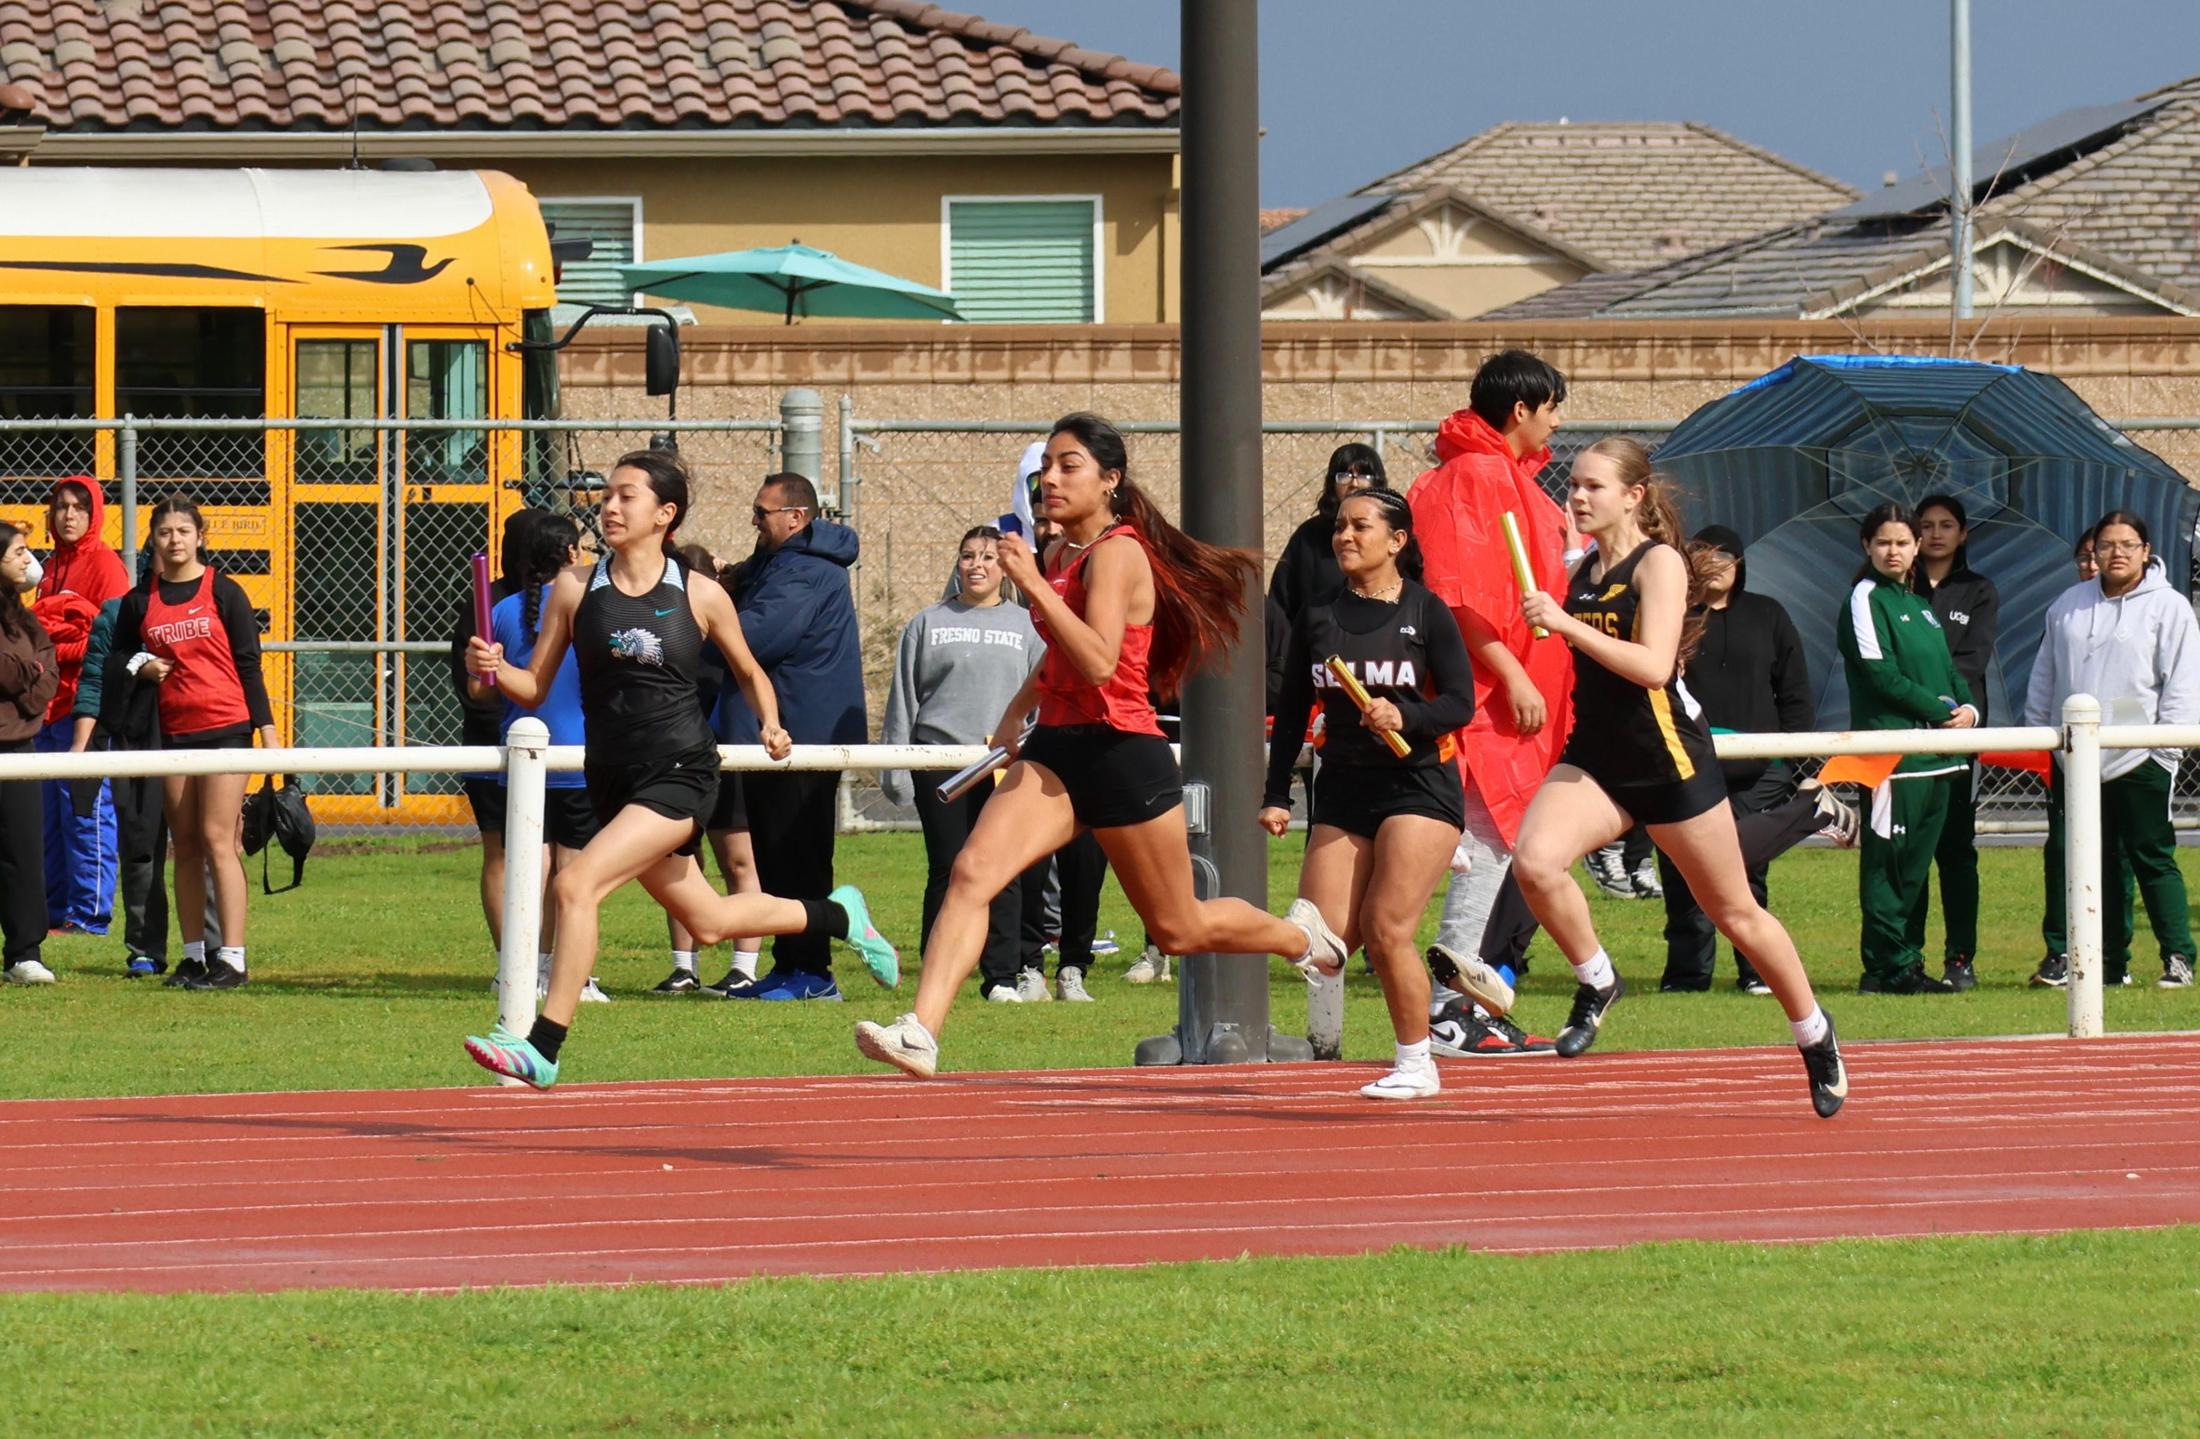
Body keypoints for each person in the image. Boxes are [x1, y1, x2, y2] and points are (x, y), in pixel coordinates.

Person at [854, 412, 1352, 1079]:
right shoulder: (1059, 554)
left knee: (1178, 927)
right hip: (1057, 747)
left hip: (1122, 752)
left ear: (1110, 479)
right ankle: (921, 1031)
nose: (1051, 480)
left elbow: (1096, 660)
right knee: (972, 872)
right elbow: (1058, 655)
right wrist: (1014, 715)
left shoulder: (1117, 553)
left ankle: (1300, 937)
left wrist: (1032, 584)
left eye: (1069, 466)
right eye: (1046, 468)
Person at [461, 451, 898, 1089]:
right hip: (612, 779)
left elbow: (750, 671)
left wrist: (771, 723)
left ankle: (542, 1045)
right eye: (607, 496)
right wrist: (494, 669)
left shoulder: (699, 592)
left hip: (681, 772)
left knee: (575, 885)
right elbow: (532, 688)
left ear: (665, 514)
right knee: (709, 921)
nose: (610, 507)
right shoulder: (574, 589)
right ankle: (839, 915)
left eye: (627, 496)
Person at [1508, 438, 1847, 1117]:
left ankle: (1814, 1032)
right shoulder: (1584, 567)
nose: (1578, 496)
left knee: (1734, 912)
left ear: (1634, 495)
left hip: (1668, 759)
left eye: (1593, 486)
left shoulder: (1659, 561)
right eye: (1573, 484)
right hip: (1598, 756)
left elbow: (1655, 666)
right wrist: (1562, 603)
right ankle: (1597, 979)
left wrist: (1565, 623)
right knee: (1535, 863)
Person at [1260, 486, 1510, 1097]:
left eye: (1360, 526)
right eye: (1339, 527)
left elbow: (1460, 702)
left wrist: (1406, 716)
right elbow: (1291, 713)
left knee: (1386, 927)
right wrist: (1275, 793)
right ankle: (1455, 943)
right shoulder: (1317, 616)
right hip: (1344, 789)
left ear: (1397, 540)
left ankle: (1417, 1064)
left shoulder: (1427, 612)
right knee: (1323, 947)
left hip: (1417, 783)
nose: (1344, 536)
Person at [1406, 352, 1577, 1021]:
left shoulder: (1492, 473)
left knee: (1480, 843)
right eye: (1552, 408)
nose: (1556, 423)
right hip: (1484, 698)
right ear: (1520, 409)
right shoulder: (1478, 476)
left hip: (1497, 689)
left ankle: (1453, 1001)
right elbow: (1460, 595)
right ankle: (1451, 1004)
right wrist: (1512, 673)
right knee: (1484, 841)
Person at [716, 472, 874, 1001]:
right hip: (781, 733)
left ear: (795, 517)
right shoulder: (779, 562)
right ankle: (789, 966)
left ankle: (813, 972)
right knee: (776, 855)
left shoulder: (804, 571)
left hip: (804, 735)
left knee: (798, 854)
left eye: (762, 512)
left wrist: (703, 620)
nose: (754, 521)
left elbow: (757, 636)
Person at [108, 496, 277, 991]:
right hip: (172, 733)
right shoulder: (140, 600)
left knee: (216, 837)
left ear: (200, 536)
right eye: (165, 532)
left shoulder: (224, 590)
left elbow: (249, 664)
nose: (174, 540)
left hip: (226, 728)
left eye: (183, 530)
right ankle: (193, 955)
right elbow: (118, 656)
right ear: (153, 539)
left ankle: (234, 958)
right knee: (183, 844)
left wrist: (268, 733)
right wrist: (143, 665)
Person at [2027, 510, 2199, 990]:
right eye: (2105, 546)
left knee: (2151, 857)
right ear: (2093, 553)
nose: (2116, 554)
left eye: (2127, 545)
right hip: (2073, 760)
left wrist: (2166, 749)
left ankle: (2178, 957)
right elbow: (2045, 676)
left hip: (2142, 757)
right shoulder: (2068, 604)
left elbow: (2182, 684)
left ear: (2146, 551)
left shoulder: (2170, 607)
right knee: (2083, 860)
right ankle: (2107, 964)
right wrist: (2042, 740)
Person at [880, 525, 1043, 1004]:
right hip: (940, 763)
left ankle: (1001, 978)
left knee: (1001, 870)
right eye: (969, 556)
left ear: (1004, 568)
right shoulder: (926, 623)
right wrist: (896, 769)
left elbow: (1041, 703)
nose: (977, 565)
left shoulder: (1028, 626)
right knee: (947, 867)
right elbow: (904, 701)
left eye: (989, 557)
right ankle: (938, 970)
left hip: (1003, 762)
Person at [1659, 524, 1815, 994]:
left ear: (1740, 564)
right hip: (1687, 766)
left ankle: (1755, 971)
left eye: (1725, 556)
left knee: (1747, 869)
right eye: (1703, 554)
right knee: (1683, 871)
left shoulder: (1769, 615)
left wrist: (1795, 761)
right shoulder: (1672, 616)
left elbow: (1794, 692)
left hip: (1758, 772)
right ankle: (1687, 976)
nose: (1716, 564)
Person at [1838, 503, 1978, 996]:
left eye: (1902, 542)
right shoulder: (1865, 598)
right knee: (1890, 867)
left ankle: (1907, 964)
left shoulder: (1920, 606)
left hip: (1938, 758)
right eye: (1883, 542)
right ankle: (1885, 969)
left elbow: (1949, 671)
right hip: (1894, 757)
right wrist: (1939, 712)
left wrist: (1968, 709)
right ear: (1866, 546)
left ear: (1916, 546)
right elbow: (1880, 674)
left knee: (1915, 869)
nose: (1893, 551)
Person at [485, 511, 608, 1002]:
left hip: (527, 758)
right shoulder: (590, 606)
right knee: (574, 873)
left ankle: (527, 969)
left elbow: (482, 688)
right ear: (571, 554)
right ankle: (571, 976)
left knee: (529, 872)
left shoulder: (502, 610)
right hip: (577, 756)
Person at [661, 542, 766, 998]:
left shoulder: (725, 630)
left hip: (727, 759)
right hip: (676, 759)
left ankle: (745, 967)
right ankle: (684, 967)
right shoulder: (663, 635)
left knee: (738, 861)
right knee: (677, 860)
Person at [32, 477, 128, 935]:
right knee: (49, 814)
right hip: (48, 703)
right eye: (61, 506)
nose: (68, 515)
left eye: (78, 507)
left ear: (95, 515)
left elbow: (111, 640)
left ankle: (89, 913)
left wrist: (57, 648)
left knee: (86, 807)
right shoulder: (50, 566)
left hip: (83, 705)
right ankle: (54, 909)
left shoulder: (105, 564)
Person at [1913, 494, 2001, 990]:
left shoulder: (1978, 590)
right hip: (1904, 734)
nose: (1936, 534)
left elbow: (1971, 661)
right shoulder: (1894, 590)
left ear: (1963, 534)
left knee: (1955, 849)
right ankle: (1905, 959)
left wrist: (1942, 708)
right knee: (1908, 851)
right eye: (1926, 525)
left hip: (1956, 733)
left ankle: (1960, 958)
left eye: (1946, 525)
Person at [451, 508, 541, 972]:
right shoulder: (488, 604)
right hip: (494, 746)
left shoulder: (559, 600)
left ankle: (542, 961)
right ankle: (513, 965)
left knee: (544, 855)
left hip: (546, 746)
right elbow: (473, 688)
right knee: (502, 852)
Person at [0, 523, 57, 984]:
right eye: (18, 551)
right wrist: (27, 672)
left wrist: (27, 678)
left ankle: (24, 954)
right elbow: (12, 671)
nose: (27, 559)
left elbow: (46, 672)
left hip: (20, 746)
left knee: (23, 852)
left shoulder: (26, 618)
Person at [1267, 442, 1385, 631]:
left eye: (1364, 475)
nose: (1354, 483)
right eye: (1344, 475)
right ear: (1332, 483)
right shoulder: (1309, 537)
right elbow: (1281, 604)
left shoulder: (1390, 534)